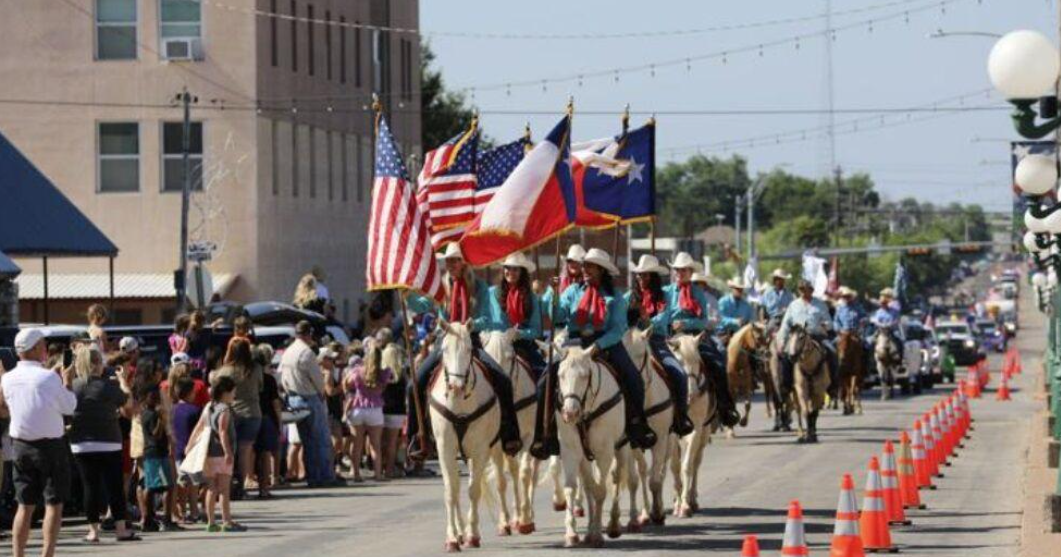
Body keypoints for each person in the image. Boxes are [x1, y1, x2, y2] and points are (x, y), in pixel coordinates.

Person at [529, 248, 656, 460]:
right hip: (574, 343)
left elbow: (618, 329)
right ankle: (544, 435)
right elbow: (557, 316)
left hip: (606, 343)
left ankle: (637, 426)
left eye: (590, 266)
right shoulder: (572, 291)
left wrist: (599, 344)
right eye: (585, 265)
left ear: (601, 270)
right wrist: (555, 294)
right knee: (544, 382)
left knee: (634, 378)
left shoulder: (615, 296)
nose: (585, 270)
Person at [406, 243, 522, 460]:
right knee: (414, 384)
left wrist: (470, 325)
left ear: (464, 262)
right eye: (448, 261)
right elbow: (422, 305)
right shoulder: (441, 286)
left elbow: (487, 318)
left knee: (503, 380)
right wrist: (406, 294)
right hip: (446, 343)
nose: (450, 264)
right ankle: (418, 437)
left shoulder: (479, 287)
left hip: (471, 342)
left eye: (455, 260)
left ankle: (509, 434)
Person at [0, 329, 77, 557]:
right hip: (51, 446)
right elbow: (69, 406)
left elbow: (5, 406)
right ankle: (47, 554)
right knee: (53, 503)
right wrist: (67, 382)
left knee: (24, 506)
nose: (45, 348)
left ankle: (18, 555)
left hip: (21, 445)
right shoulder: (48, 377)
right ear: (34, 348)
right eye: (43, 345)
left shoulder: (8, 378)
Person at [68, 345, 139, 543]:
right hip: (109, 441)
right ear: (98, 364)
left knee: (89, 486)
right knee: (114, 487)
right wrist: (123, 382)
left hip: (81, 442)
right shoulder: (108, 385)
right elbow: (127, 403)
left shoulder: (73, 386)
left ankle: (93, 531)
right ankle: (121, 529)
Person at [664, 252, 740, 429]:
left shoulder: (698, 293)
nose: (679, 273)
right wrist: (668, 321)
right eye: (677, 270)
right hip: (671, 337)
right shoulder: (666, 292)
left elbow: (703, 320)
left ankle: (725, 407)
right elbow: (661, 313)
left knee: (718, 364)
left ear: (690, 272)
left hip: (694, 338)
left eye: (683, 270)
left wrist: (685, 323)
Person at [625, 254, 695, 435]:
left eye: (645, 275)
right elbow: (619, 317)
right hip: (632, 342)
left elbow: (663, 320)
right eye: (639, 275)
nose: (641, 278)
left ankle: (681, 417)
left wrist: (646, 319)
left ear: (653, 277)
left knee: (680, 374)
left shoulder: (664, 296)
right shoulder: (629, 297)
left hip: (656, 342)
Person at [279, 321, 342, 487]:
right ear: (309, 334)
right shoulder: (306, 353)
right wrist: (321, 394)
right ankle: (325, 477)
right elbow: (318, 380)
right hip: (309, 397)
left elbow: (282, 377)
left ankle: (312, 477)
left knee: (307, 441)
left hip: (293, 397)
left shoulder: (288, 352)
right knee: (320, 439)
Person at [188, 375, 245, 532]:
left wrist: (189, 445)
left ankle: (211, 522)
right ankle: (227, 521)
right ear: (225, 393)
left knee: (211, 488)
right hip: (221, 453)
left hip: (209, 453)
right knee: (224, 490)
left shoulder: (209, 406)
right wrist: (228, 452)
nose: (234, 394)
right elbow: (223, 431)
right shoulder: (225, 410)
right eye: (233, 392)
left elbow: (199, 426)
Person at [213, 338, 264, 497]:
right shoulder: (256, 369)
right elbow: (260, 387)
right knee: (245, 451)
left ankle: (227, 487)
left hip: (231, 413)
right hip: (253, 413)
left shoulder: (225, 371)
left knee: (228, 451)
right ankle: (241, 486)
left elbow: (216, 387)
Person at [484, 252, 547, 380]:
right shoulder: (491, 293)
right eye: (508, 268)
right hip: (494, 344)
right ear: (503, 270)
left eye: (515, 269)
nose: (511, 272)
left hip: (521, 346)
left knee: (544, 375)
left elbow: (536, 330)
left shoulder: (532, 298)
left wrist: (519, 334)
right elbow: (484, 319)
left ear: (522, 272)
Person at [138, 382, 182, 532]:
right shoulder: (150, 414)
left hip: (155, 453)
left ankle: (149, 519)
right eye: (153, 396)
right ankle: (163, 519)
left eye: (157, 396)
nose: (156, 398)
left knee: (152, 486)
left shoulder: (148, 413)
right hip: (155, 453)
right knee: (166, 486)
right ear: (145, 398)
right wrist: (161, 420)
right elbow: (155, 435)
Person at [777, 280, 838, 389]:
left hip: (817, 335)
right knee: (786, 355)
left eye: (805, 289)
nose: (803, 292)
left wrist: (825, 325)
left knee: (832, 351)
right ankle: (787, 385)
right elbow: (785, 324)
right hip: (797, 337)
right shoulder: (793, 305)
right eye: (800, 289)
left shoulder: (820, 304)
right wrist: (782, 340)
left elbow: (829, 322)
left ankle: (833, 385)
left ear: (811, 290)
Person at [344, 345, 392, 482]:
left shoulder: (357, 371)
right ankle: (378, 474)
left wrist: (351, 392)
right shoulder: (383, 373)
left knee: (356, 443)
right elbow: (385, 386)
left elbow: (347, 383)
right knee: (375, 444)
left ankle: (356, 474)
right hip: (375, 408)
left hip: (358, 407)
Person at [171, 378, 203, 521]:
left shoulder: (172, 410)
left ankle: (182, 510)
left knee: (181, 482)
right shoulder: (195, 410)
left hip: (177, 451)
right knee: (194, 483)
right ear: (190, 393)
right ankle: (194, 511)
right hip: (193, 451)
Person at [376, 330, 407, 479]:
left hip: (383, 408)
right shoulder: (402, 375)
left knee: (380, 441)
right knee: (393, 443)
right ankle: (389, 470)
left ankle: (380, 468)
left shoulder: (383, 374)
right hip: (398, 410)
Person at [253, 345, 282, 498]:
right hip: (266, 417)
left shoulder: (245, 378)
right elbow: (275, 403)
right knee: (265, 453)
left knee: (250, 452)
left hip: (250, 416)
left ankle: (248, 480)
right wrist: (279, 421)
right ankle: (264, 487)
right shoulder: (269, 379)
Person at [540, 244, 586, 329]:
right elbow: (543, 308)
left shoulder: (587, 285)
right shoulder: (557, 283)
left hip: (578, 329)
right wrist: (553, 291)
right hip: (559, 330)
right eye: (570, 261)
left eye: (577, 261)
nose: (573, 264)